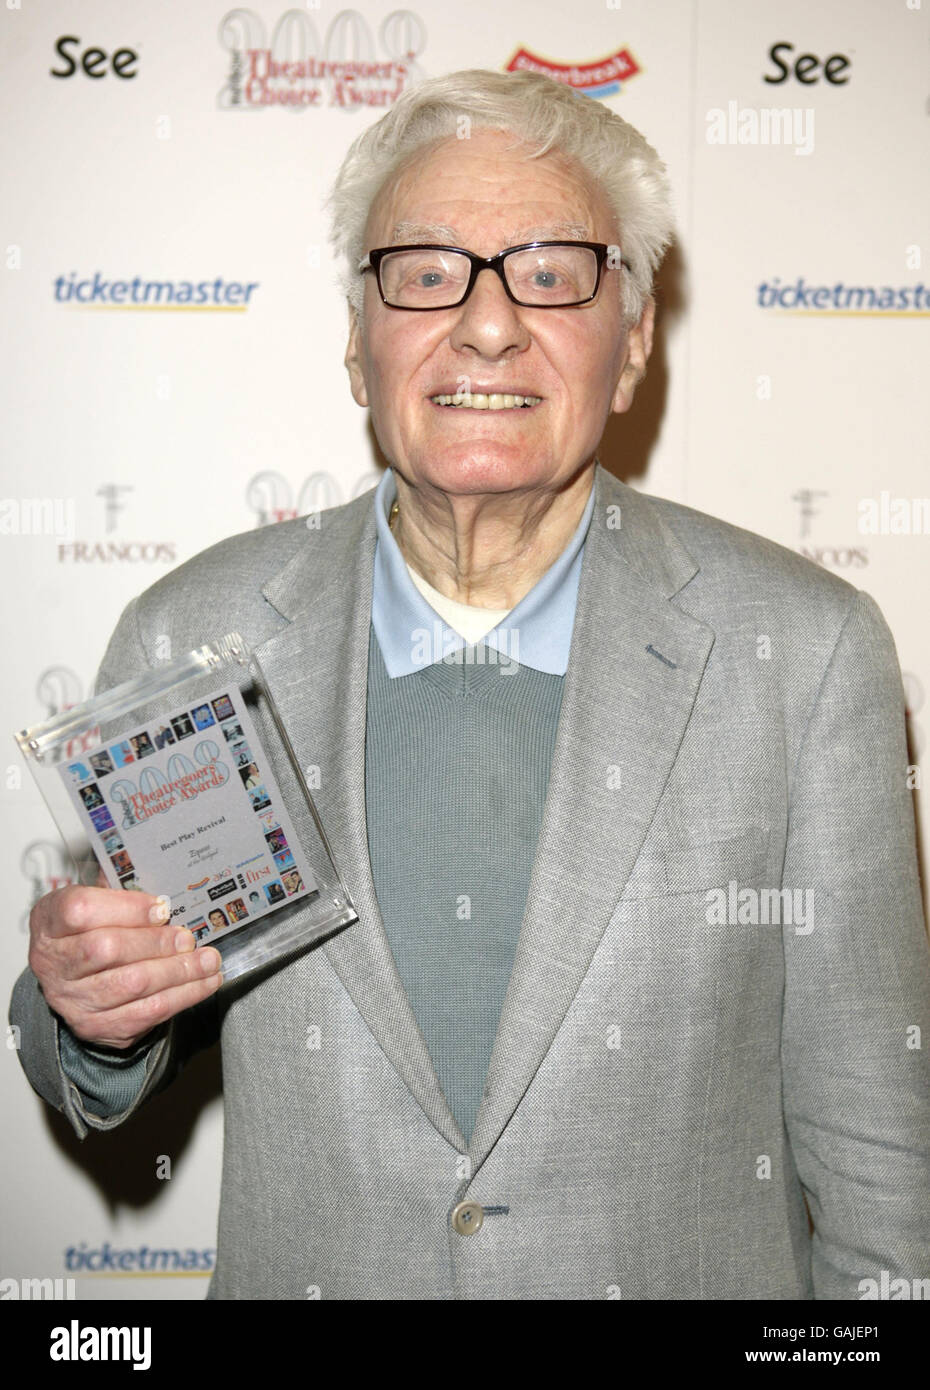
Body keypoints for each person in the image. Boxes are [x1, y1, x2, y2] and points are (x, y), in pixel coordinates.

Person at [10, 69, 930, 1301]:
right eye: (429, 270)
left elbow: (882, 1152)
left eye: (551, 273)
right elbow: (106, 1049)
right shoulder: (192, 635)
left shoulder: (806, 652)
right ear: (357, 339)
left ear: (636, 338)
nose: (488, 325)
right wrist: (88, 1012)